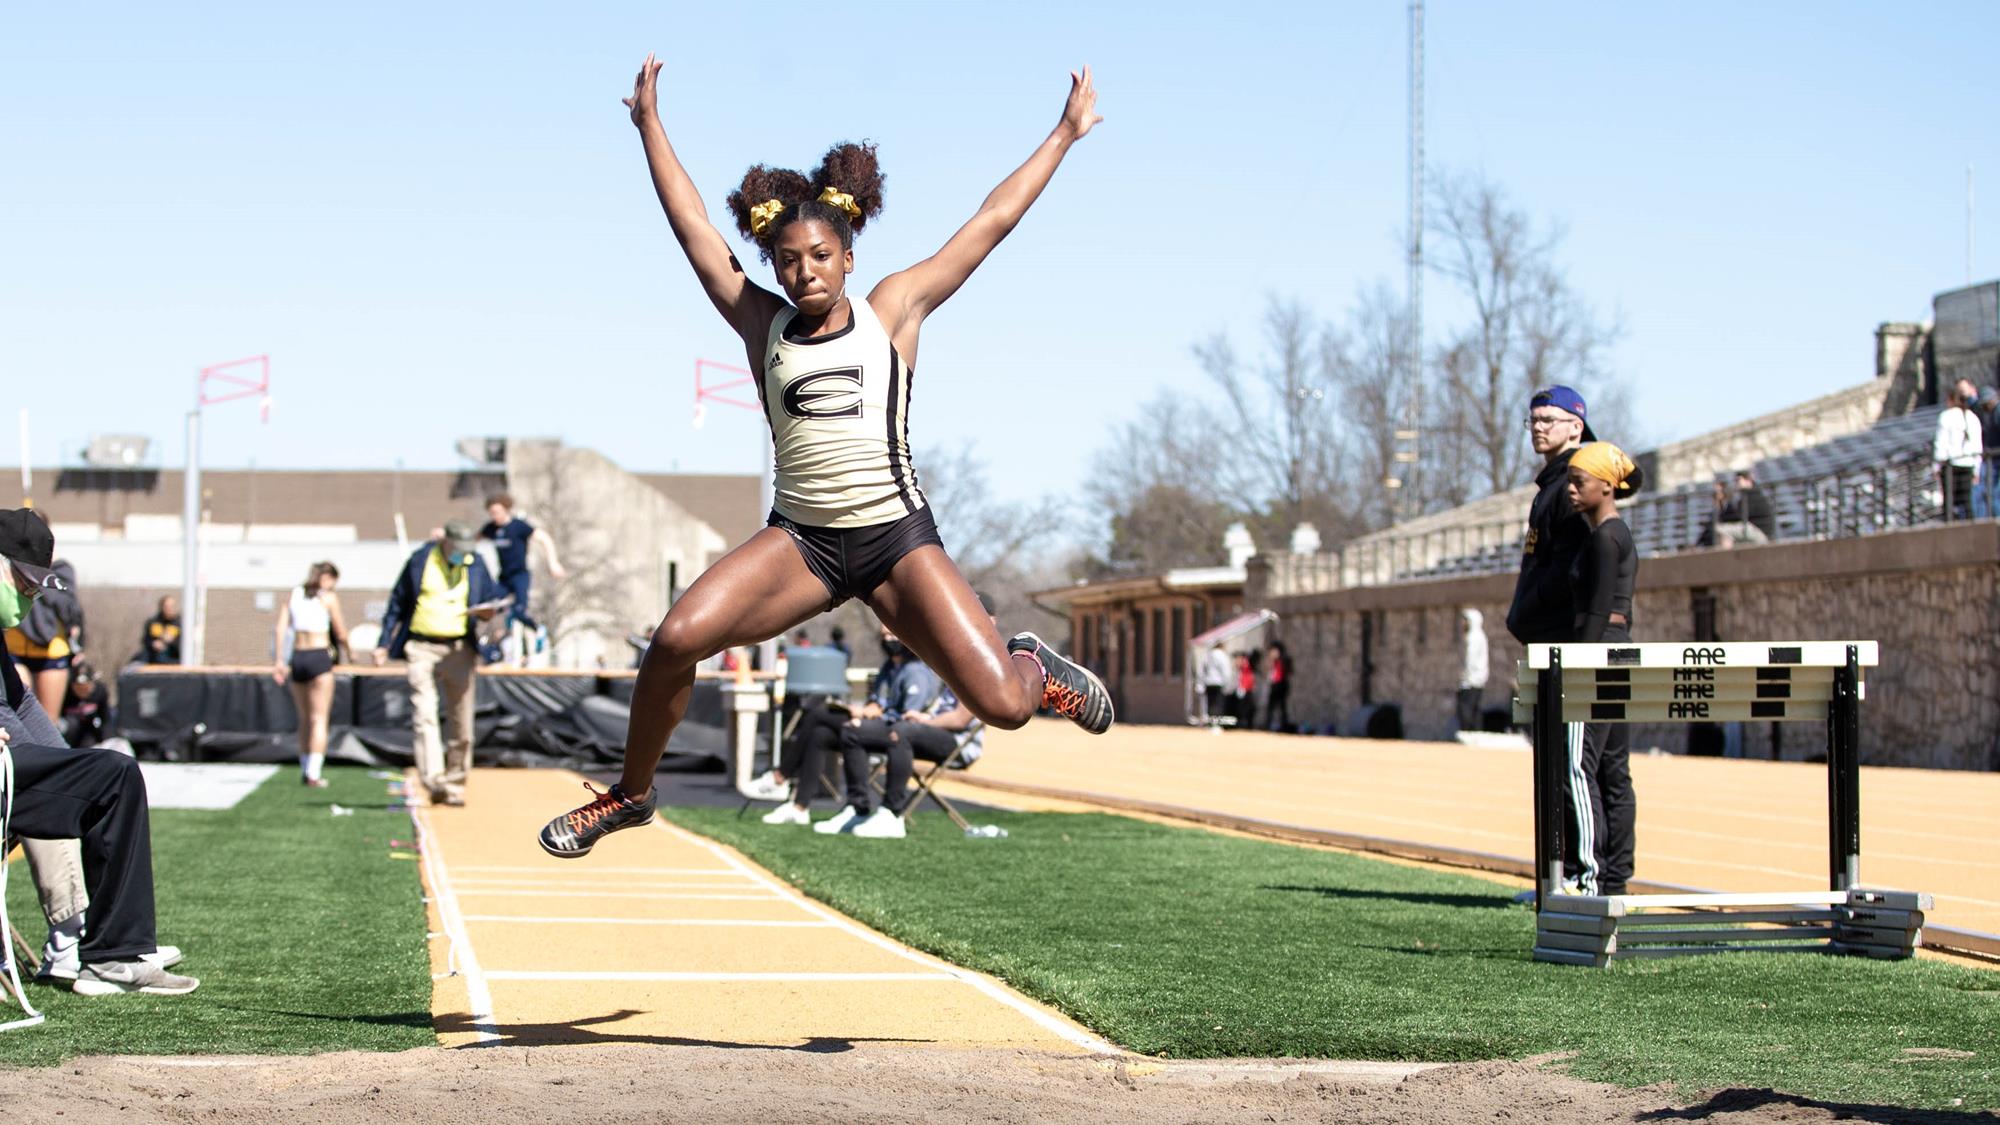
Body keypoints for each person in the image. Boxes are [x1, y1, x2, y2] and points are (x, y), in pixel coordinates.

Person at [537, 55, 1113, 857]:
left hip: (895, 542)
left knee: (1005, 707)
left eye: (818, 257)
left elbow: (989, 222)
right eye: (787, 260)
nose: (802, 271)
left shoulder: (894, 309)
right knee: (674, 640)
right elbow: (694, 229)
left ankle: (1028, 659)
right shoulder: (760, 322)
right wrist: (650, 126)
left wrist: (1064, 134)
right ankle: (631, 795)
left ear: (848, 257)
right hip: (802, 543)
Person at [1, 508, 192, 994]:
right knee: (114, 775)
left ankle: (103, 947)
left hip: (9, 770)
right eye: (23, 583)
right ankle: (102, 950)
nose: (30, 596)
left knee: (105, 775)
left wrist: (66, 765)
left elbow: (21, 705)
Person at [374, 521, 505, 807]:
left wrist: (488, 614)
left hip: (459, 647)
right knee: (424, 714)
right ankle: (434, 780)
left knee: (461, 720)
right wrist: (384, 643)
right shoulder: (421, 560)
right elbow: (397, 603)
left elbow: (493, 598)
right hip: (421, 646)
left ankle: (455, 782)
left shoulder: (476, 563)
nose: (463, 554)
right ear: (445, 542)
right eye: (458, 549)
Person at [1564, 442, 1644, 897]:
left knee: (1578, 765)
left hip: (1599, 651)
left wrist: (1578, 662)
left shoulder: (1606, 537)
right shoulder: (1614, 534)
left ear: (1607, 486)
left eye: (1580, 483)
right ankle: (1616, 879)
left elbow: (1598, 612)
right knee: (1614, 769)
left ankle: (1590, 876)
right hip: (1617, 651)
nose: (1572, 491)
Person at [273, 562, 348, 789]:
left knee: (304, 718)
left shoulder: (294, 595)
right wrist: (351, 652)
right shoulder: (328, 597)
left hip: (298, 657)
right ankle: (314, 773)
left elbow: (280, 629)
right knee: (319, 718)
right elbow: (341, 631)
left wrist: (279, 661)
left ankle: (305, 767)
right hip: (318, 656)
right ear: (329, 578)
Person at [6, 557, 83, 721]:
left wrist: (42, 579)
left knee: (48, 721)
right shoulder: (10, 566)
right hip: (14, 650)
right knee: (17, 712)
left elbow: (71, 610)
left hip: (52, 652)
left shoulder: (61, 570)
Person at [480, 494, 565, 633]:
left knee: (520, 610)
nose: (495, 516)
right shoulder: (491, 528)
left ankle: (538, 630)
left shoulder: (518, 526)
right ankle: (498, 640)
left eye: (497, 512)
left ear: (506, 510)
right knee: (489, 606)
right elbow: (471, 541)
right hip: (503, 578)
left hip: (520, 575)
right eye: (492, 513)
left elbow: (544, 538)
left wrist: (553, 562)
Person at [1933, 382, 1982, 523]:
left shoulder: (1946, 416)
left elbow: (1940, 444)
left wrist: (1936, 466)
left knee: (1949, 503)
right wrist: (1976, 470)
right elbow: (1978, 447)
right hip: (1968, 464)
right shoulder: (1973, 418)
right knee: (1967, 502)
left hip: (1950, 464)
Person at [1456, 608, 1487, 735]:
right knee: (1473, 708)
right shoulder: (1479, 636)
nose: (1463, 623)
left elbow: (1470, 660)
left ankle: (1468, 733)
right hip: (1476, 679)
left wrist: (1465, 677)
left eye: (1466, 620)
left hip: (1471, 679)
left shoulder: (1474, 638)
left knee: (1467, 708)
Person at [140, 594, 182, 665]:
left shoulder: (180, 623)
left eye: (171, 606)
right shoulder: (153, 622)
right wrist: (153, 644)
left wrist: (172, 641)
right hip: (154, 657)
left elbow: (185, 645)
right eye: (166, 606)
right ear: (161, 607)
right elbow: (145, 640)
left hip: (174, 658)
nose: (169, 609)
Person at [1197, 644, 1231, 725]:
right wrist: (1227, 683)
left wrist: (1201, 682)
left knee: (1210, 703)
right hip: (1219, 683)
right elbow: (1226, 670)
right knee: (1218, 703)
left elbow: (1201, 669)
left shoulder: (1207, 655)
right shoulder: (1222, 655)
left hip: (1208, 682)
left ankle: (1210, 722)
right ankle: (1216, 724)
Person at [1263, 642, 1290, 732]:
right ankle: (1267, 724)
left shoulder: (1284, 660)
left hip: (1281, 685)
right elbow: (1267, 671)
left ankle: (1284, 726)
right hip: (1274, 685)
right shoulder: (1272, 661)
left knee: (1282, 707)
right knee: (1270, 706)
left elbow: (1288, 671)